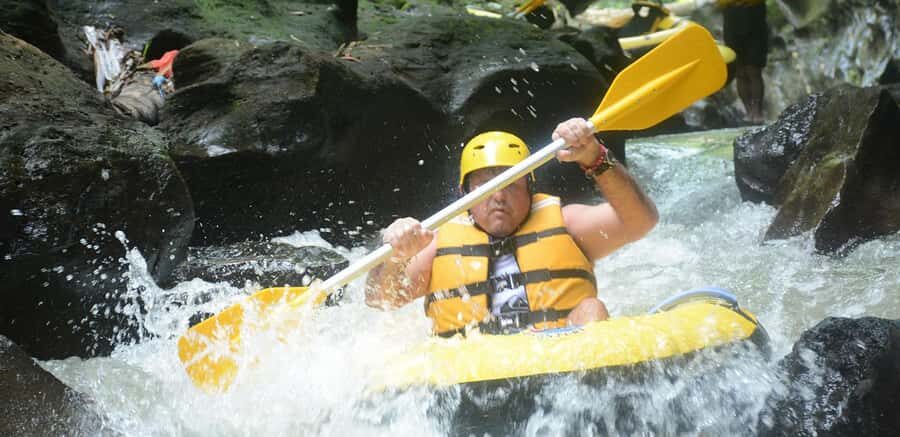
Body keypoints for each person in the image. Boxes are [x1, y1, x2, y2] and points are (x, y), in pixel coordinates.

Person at [365, 119, 658, 336]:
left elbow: (641, 220)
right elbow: (379, 299)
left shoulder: (568, 224)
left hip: (562, 363)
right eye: (484, 185)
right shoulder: (436, 244)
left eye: (511, 184)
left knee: (592, 309)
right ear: (464, 193)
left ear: (530, 188)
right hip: (472, 372)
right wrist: (395, 256)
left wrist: (596, 158)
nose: (499, 196)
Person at [719, 0, 768, 124]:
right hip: (731, 16)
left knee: (754, 70)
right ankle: (748, 111)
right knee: (740, 72)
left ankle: (757, 111)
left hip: (753, 14)